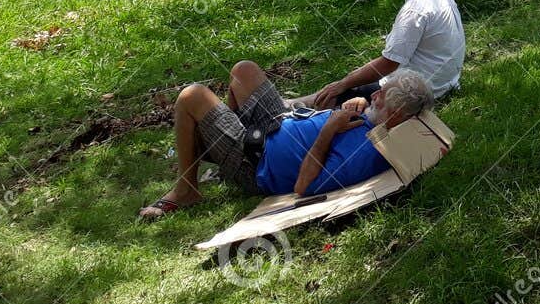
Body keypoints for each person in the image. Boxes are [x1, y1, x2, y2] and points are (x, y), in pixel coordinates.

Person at [138, 64, 434, 220]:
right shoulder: (375, 119)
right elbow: (362, 111)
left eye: (382, 96)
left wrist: (328, 130)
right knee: (245, 71)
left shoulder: (366, 152)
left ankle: (186, 190)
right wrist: (347, 108)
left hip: (254, 159)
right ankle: (213, 143)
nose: (374, 94)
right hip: (279, 122)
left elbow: (303, 187)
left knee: (193, 95)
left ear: (393, 114)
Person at [306, 0, 465, 109]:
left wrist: (343, 83)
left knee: (337, 95)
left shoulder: (416, 9)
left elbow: (388, 64)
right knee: (349, 85)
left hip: (417, 92)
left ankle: (290, 108)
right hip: (444, 85)